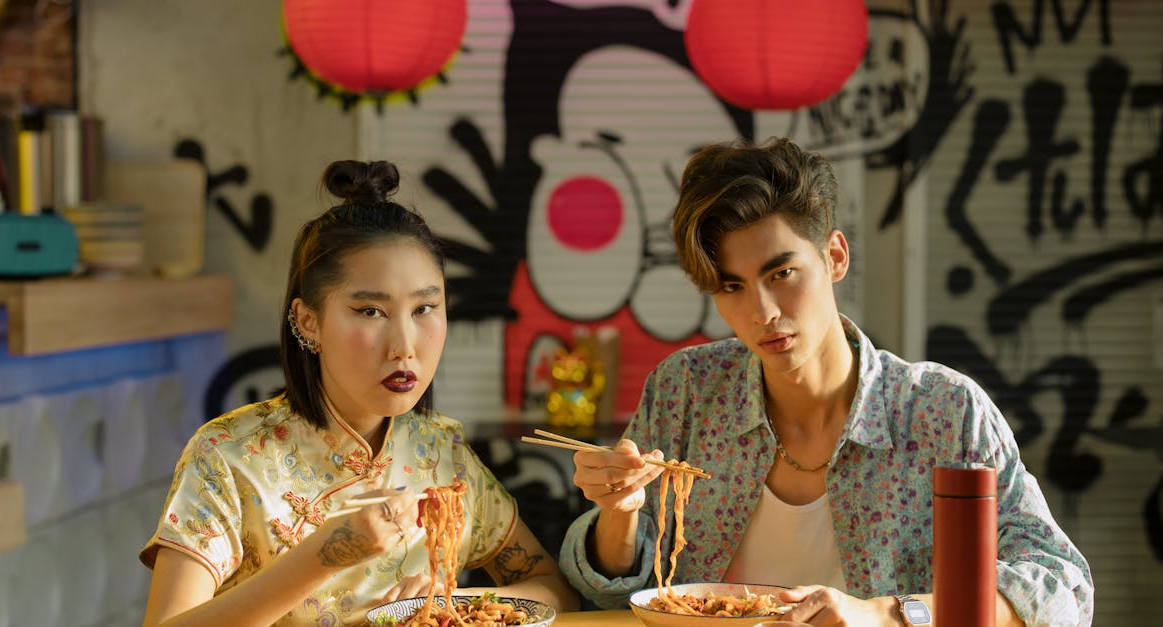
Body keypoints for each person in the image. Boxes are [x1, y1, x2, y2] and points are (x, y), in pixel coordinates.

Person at [558, 138, 1093, 626]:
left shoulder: (943, 411)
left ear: (834, 257)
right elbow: (611, 597)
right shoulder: (686, 391)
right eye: (731, 286)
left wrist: (888, 615)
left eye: (781, 274)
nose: (761, 311)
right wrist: (618, 512)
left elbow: (1061, 586)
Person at [140, 160, 578, 626]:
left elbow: (553, 591)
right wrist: (324, 556)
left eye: (425, 308)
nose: (405, 346)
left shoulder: (439, 451)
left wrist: (448, 599)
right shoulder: (228, 456)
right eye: (370, 311)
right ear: (309, 321)